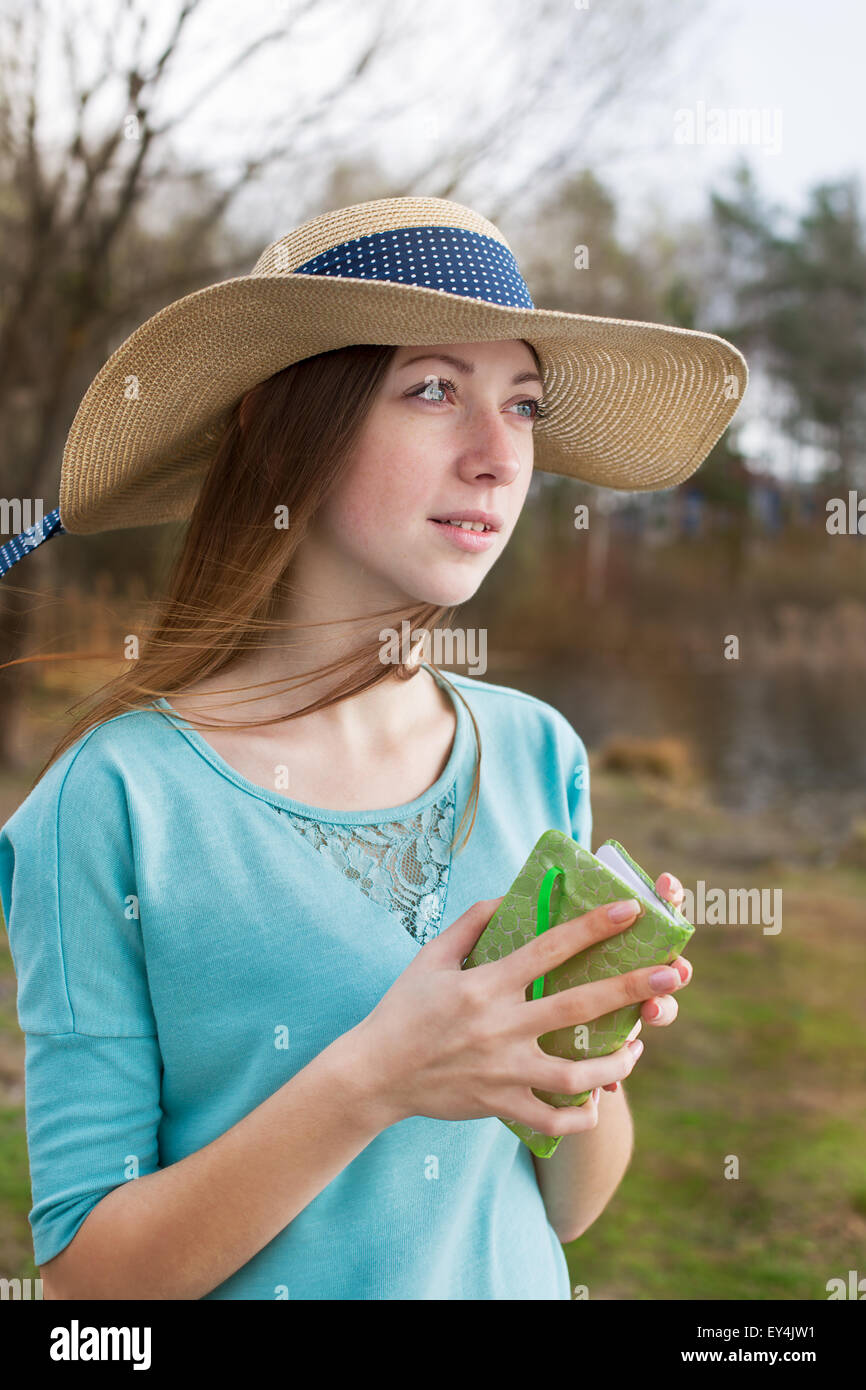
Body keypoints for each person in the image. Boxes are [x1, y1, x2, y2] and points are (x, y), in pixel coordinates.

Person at [0, 196, 743, 1300]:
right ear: (277, 423)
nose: (498, 457)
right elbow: (88, 1292)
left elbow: (572, 1206)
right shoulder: (111, 803)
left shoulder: (539, 749)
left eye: (523, 403)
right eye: (433, 390)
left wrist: (584, 1047)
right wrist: (379, 1078)